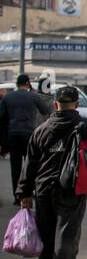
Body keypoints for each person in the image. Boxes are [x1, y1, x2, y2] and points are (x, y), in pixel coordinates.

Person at [17, 85, 87, 259]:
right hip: (71, 189)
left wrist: (24, 193)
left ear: (55, 105)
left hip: (43, 190)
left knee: (45, 237)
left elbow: (29, 164)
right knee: (67, 238)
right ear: (76, 104)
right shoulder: (85, 127)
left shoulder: (41, 129)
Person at [0, 74, 53, 205]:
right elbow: (45, 109)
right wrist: (34, 94)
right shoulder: (33, 96)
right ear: (28, 84)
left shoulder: (8, 97)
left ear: (17, 84)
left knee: (15, 166)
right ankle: (29, 193)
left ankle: (17, 197)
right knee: (30, 165)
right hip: (29, 134)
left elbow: (1, 116)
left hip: (13, 134)